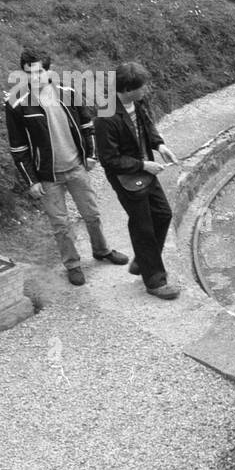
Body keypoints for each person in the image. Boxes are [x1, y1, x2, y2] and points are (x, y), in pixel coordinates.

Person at [4, 47, 128, 286]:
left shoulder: (69, 92)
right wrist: (31, 180)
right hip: (47, 176)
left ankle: (101, 251)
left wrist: (91, 155)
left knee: (92, 214)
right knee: (61, 225)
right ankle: (72, 265)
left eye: (39, 72)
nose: (34, 77)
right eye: (29, 73)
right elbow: (18, 148)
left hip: (76, 167)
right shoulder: (16, 104)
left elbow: (86, 125)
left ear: (49, 71)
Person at [94, 62, 181, 300]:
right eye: (142, 87)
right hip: (126, 177)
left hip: (146, 170)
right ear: (127, 89)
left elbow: (146, 126)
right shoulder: (105, 114)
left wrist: (159, 145)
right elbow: (109, 159)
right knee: (143, 225)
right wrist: (144, 165)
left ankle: (143, 261)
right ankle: (154, 281)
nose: (146, 90)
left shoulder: (137, 102)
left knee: (163, 214)